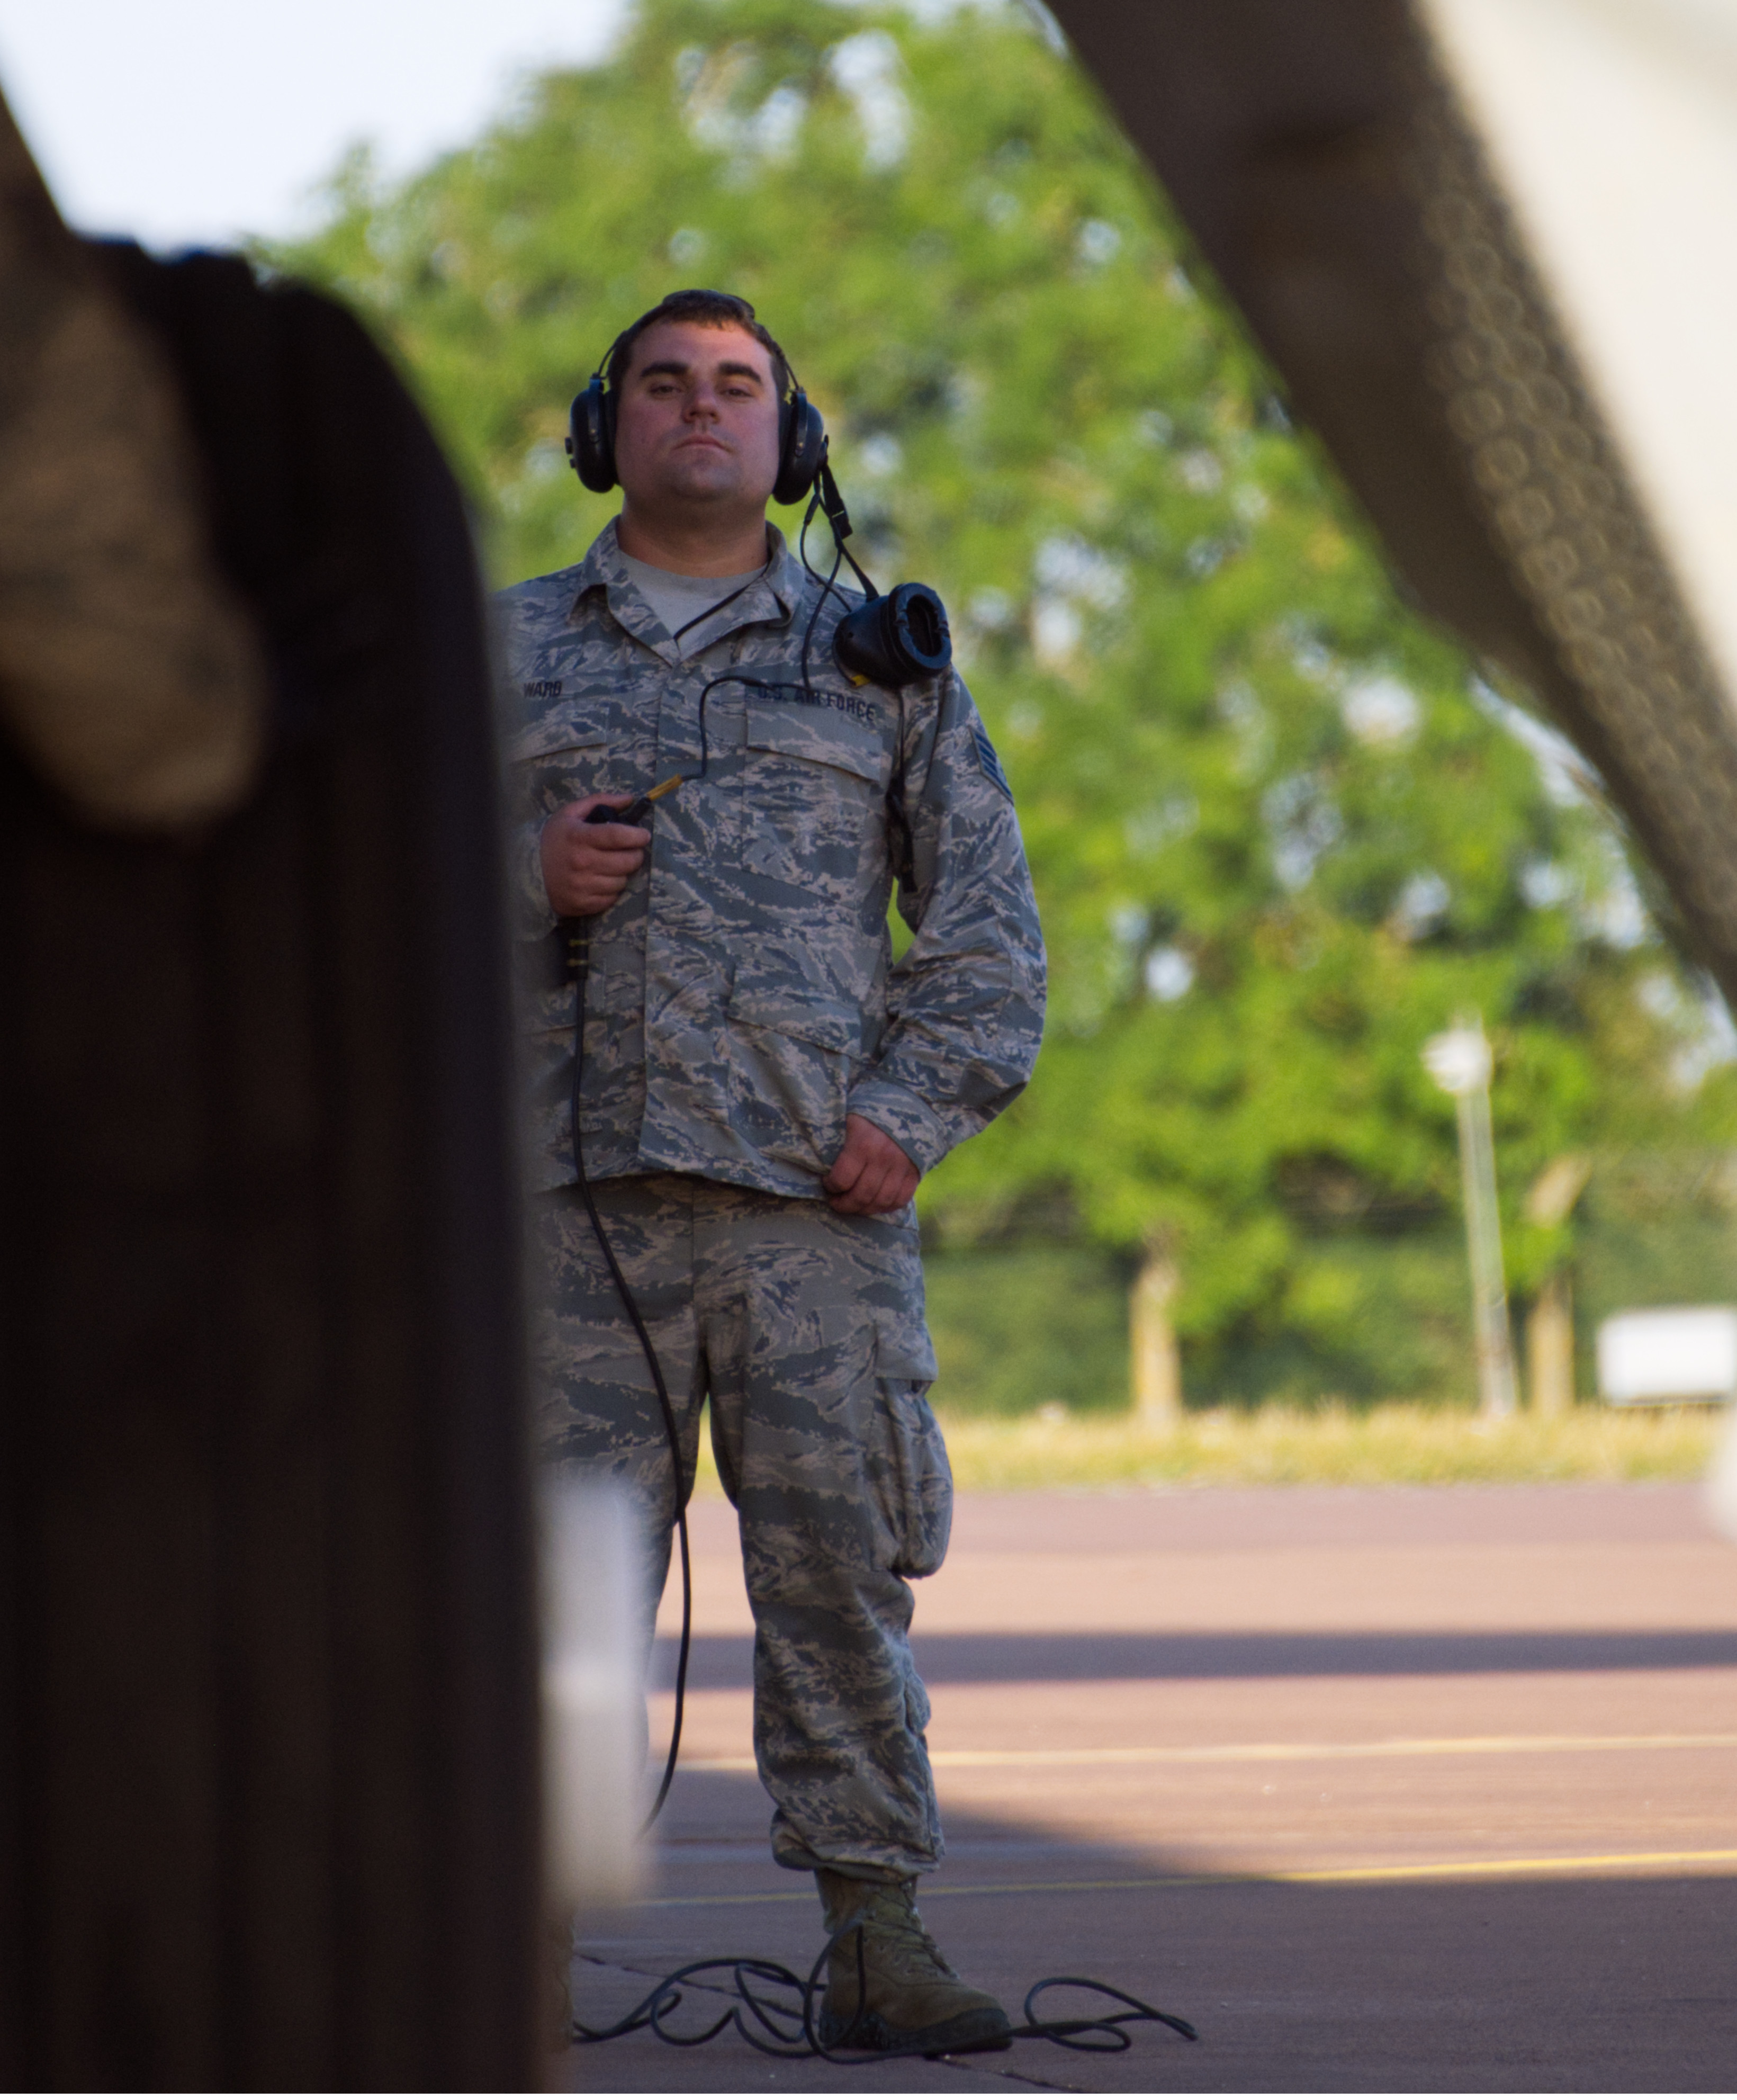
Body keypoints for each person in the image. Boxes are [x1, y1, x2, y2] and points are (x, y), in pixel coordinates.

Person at [499, 288, 1045, 2056]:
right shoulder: (495, 656)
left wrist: (909, 1112)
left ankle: (877, 1941)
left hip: (817, 1212)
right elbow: (348, 907)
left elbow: (987, 938)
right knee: (550, 1601)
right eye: (664, 384)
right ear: (606, 432)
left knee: (838, 1584)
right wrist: (517, 879)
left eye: (738, 387)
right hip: (564, 1217)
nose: (701, 409)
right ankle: (506, 1953)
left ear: (790, 441)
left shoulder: (879, 661)